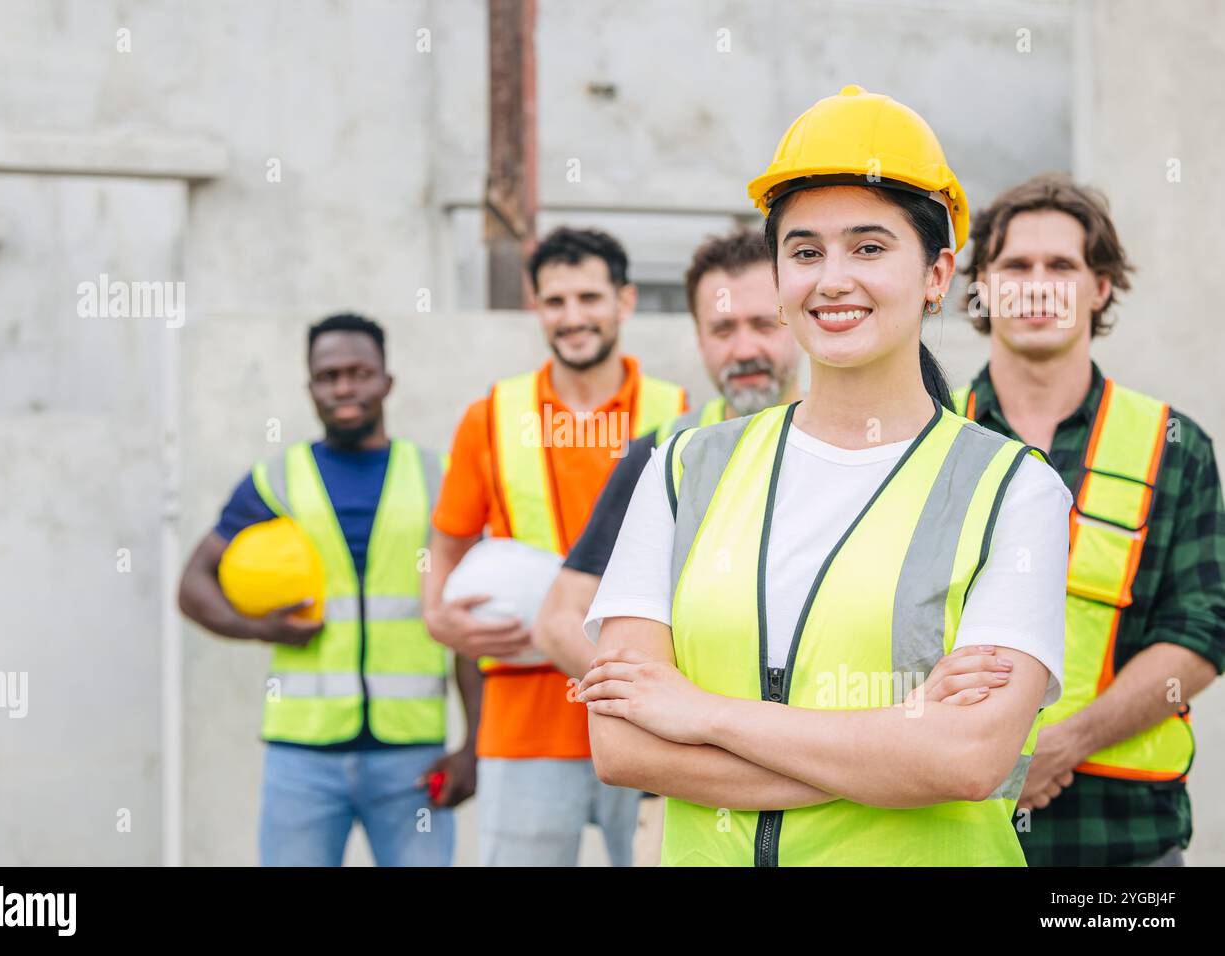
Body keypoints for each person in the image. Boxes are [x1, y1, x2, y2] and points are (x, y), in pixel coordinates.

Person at [578, 85, 1071, 866]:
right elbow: (623, 744)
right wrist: (894, 749)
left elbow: (969, 761)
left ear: (938, 273)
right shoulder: (682, 468)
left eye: (870, 248)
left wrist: (698, 712)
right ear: (777, 277)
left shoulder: (1014, 490)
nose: (832, 278)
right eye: (805, 251)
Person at [951, 173, 1225, 867]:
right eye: (1015, 266)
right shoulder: (923, 435)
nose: (1038, 284)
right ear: (981, 286)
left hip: (1121, 845)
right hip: (943, 833)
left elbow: (1200, 628)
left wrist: (1061, 745)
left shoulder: (1175, 446)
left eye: (1062, 266)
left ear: (1099, 287)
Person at [422, 226, 686, 866]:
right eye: (555, 301)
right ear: (535, 306)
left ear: (624, 302)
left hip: (645, 716)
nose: (573, 318)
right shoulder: (491, 415)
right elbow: (446, 542)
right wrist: (436, 613)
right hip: (524, 724)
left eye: (589, 298)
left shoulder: (676, 412)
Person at [177, 313, 478, 867]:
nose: (344, 387)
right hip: (302, 759)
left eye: (359, 372)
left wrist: (474, 747)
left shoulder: (440, 476)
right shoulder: (277, 479)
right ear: (310, 387)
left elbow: (470, 624)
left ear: (387, 380)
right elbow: (193, 584)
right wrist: (260, 628)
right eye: (328, 375)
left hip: (412, 756)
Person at [534, 229, 802, 684]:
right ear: (699, 339)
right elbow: (559, 620)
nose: (744, 350)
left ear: (799, 319)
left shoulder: (863, 440)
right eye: (722, 329)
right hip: (701, 751)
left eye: (763, 324)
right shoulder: (664, 451)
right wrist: (660, 707)